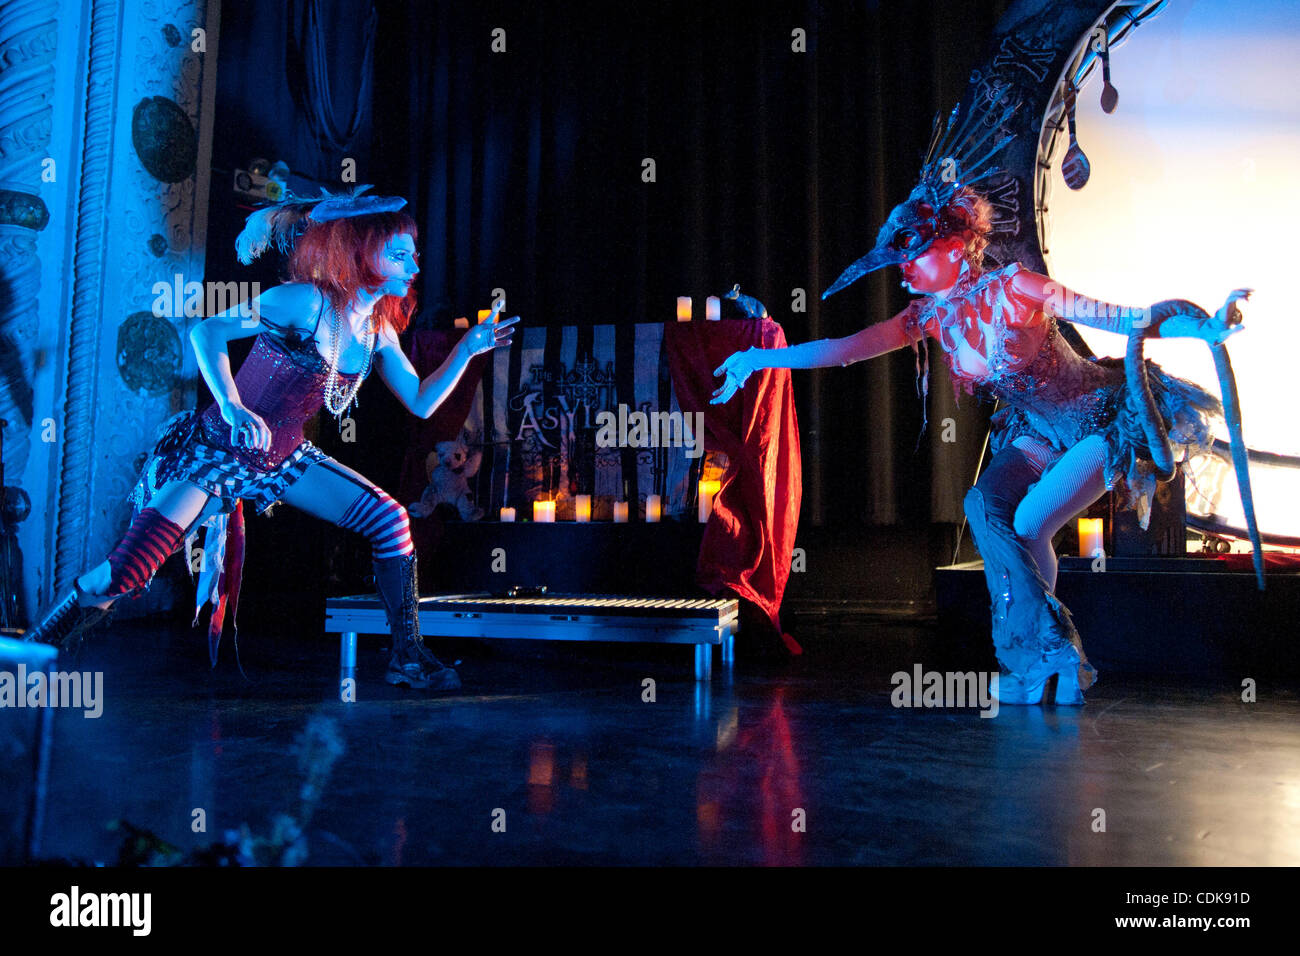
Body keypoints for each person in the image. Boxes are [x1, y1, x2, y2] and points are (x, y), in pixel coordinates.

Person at [711, 181, 1246, 705]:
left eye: (915, 253)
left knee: (1032, 523)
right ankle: (1033, 663)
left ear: (954, 245)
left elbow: (1123, 318)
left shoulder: (1017, 287)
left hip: (1098, 421)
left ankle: (1051, 651)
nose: (904, 267)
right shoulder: (927, 316)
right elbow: (844, 350)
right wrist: (754, 358)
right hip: (1036, 432)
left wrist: (1208, 327)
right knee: (984, 507)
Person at [25, 189, 518, 691]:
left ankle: (407, 657)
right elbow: (207, 332)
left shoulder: (377, 330)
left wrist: (466, 350)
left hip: (281, 459)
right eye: (398, 253)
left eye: (412, 253)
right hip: (216, 454)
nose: (413, 263)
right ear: (357, 250)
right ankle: (31, 653)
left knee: (390, 521)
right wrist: (234, 404)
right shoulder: (303, 301)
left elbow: (419, 401)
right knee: (124, 576)